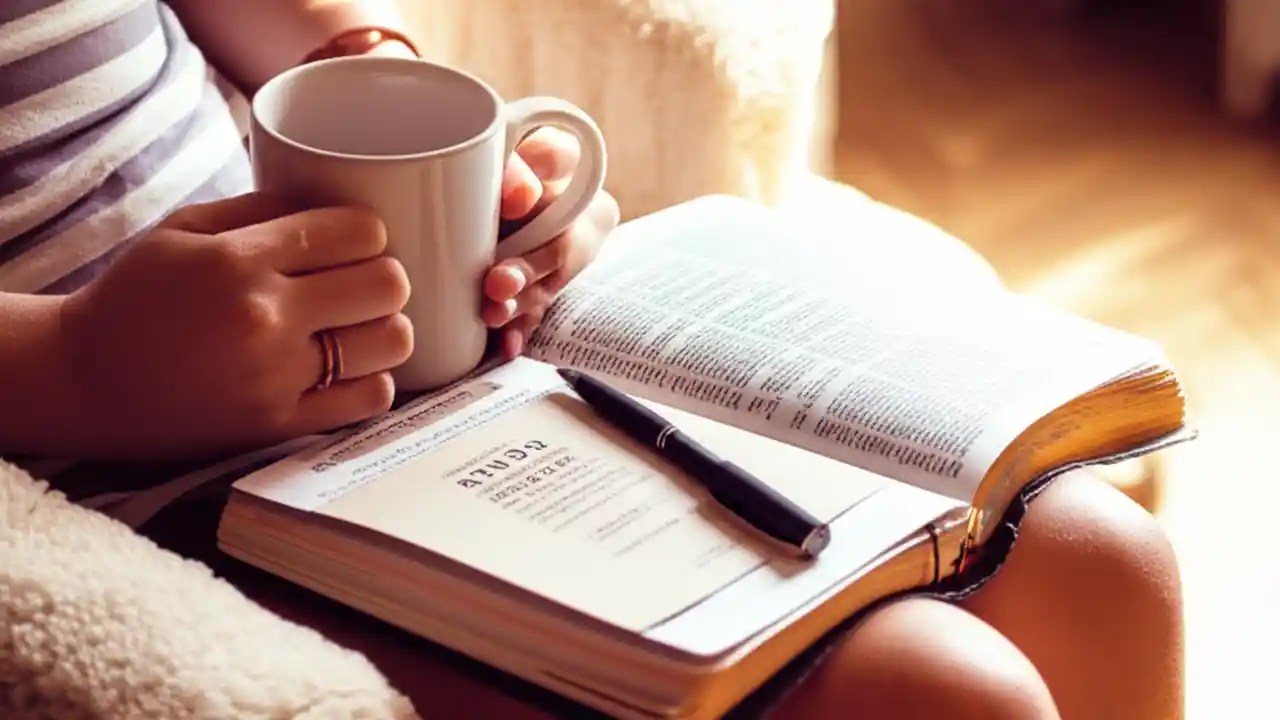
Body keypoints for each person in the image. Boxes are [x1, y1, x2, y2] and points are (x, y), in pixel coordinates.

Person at [0, 2, 1183, 719]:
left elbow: (275, 22)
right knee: (939, 703)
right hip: (156, 478)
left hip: (417, 368)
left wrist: (429, 138)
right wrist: (80, 366)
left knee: (1100, 563)